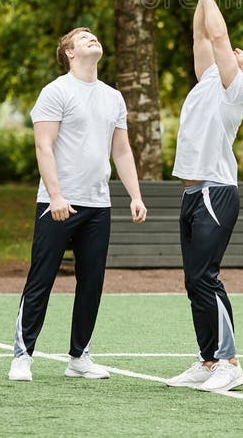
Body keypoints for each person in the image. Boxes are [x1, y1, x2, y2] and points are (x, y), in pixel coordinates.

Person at [8, 27, 147, 382]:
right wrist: (55, 195)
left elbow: (121, 149)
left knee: (91, 282)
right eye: (82, 38)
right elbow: (44, 146)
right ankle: (23, 356)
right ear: (69, 53)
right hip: (58, 201)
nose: (92, 38)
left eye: (94, 36)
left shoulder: (114, 97)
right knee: (41, 278)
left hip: (98, 205)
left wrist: (135, 195)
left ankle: (79, 357)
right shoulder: (55, 92)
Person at [165, 0, 243, 393]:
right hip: (193, 192)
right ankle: (208, 360)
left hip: (215, 191)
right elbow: (202, 38)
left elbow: (221, 38)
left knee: (206, 278)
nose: (242, 52)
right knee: (193, 281)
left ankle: (230, 362)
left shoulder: (241, 92)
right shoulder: (212, 78)